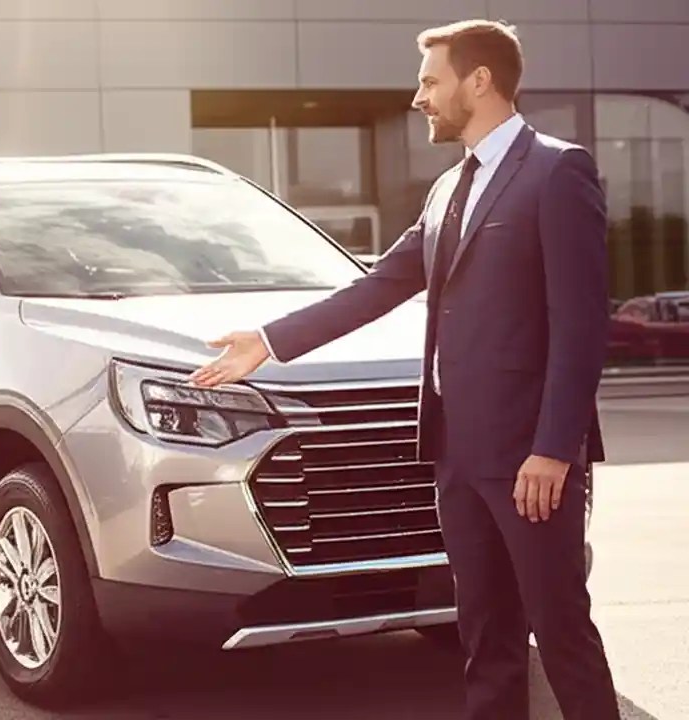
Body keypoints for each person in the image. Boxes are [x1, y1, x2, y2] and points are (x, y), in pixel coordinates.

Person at [191, 19, 619, 720]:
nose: (419, 97)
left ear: (478, 81)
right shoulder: (449, 186)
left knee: (562, 631)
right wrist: (269, 340)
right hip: (455, 455)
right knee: (485, 636)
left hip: (529, 463)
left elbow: (581, 325)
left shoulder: (556, 170)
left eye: (430, 80)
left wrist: (553, 449)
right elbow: (380, 285)